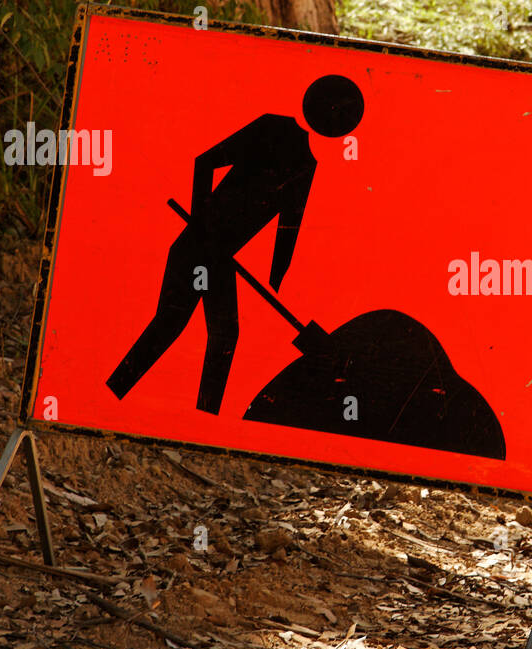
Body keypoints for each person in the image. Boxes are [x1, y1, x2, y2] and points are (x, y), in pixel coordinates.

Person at [106, 74, 364, 414]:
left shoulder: (306, 164)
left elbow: (289, 228)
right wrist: (200, 221)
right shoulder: (272, 128)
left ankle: (205, 417)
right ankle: (112, 393)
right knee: (170, 324)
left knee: (225, 336)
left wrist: (276, 281)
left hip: (220, 257)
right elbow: (205, 161)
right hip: (197, 248)